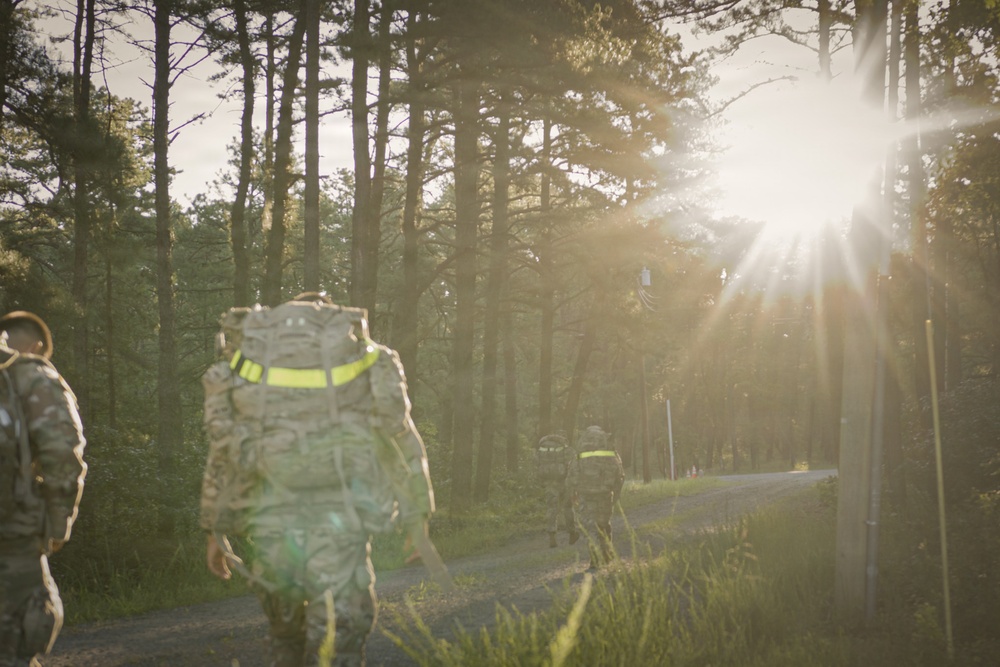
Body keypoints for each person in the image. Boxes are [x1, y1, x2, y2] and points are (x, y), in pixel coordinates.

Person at [200, 294, 439, 667]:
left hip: (272, 518)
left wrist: (215, 528)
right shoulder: (367, 357)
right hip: (343, 516)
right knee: (344, 636)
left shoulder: (245, 364)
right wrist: (417, 514)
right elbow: (401, 434)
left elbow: (224, 449)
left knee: (284, 635)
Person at [0, 311, 87, 666]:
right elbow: (63, 454)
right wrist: (57, 524)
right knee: (16, 640)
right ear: (36, 347)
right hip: (11, 536)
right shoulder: (31, 375)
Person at [567, 425, 624, 572]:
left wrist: (573, 493)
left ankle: (595, 558)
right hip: (605, 494)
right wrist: (616, 494)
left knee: (591, 527)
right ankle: (606, 554)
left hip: (586, 494)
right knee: (604, 524)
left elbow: (572, 474)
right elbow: (620, 475)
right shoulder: (610, 452)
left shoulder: (580, 454)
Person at [535, 433, 577, 548]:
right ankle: (572, 533)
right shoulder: (564, 447)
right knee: (568, 507)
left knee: (551, 508)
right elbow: (574, 460)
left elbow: (536, 462)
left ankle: (552, 536)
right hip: (563, 481)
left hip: (549, 482)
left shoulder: (542, 448)